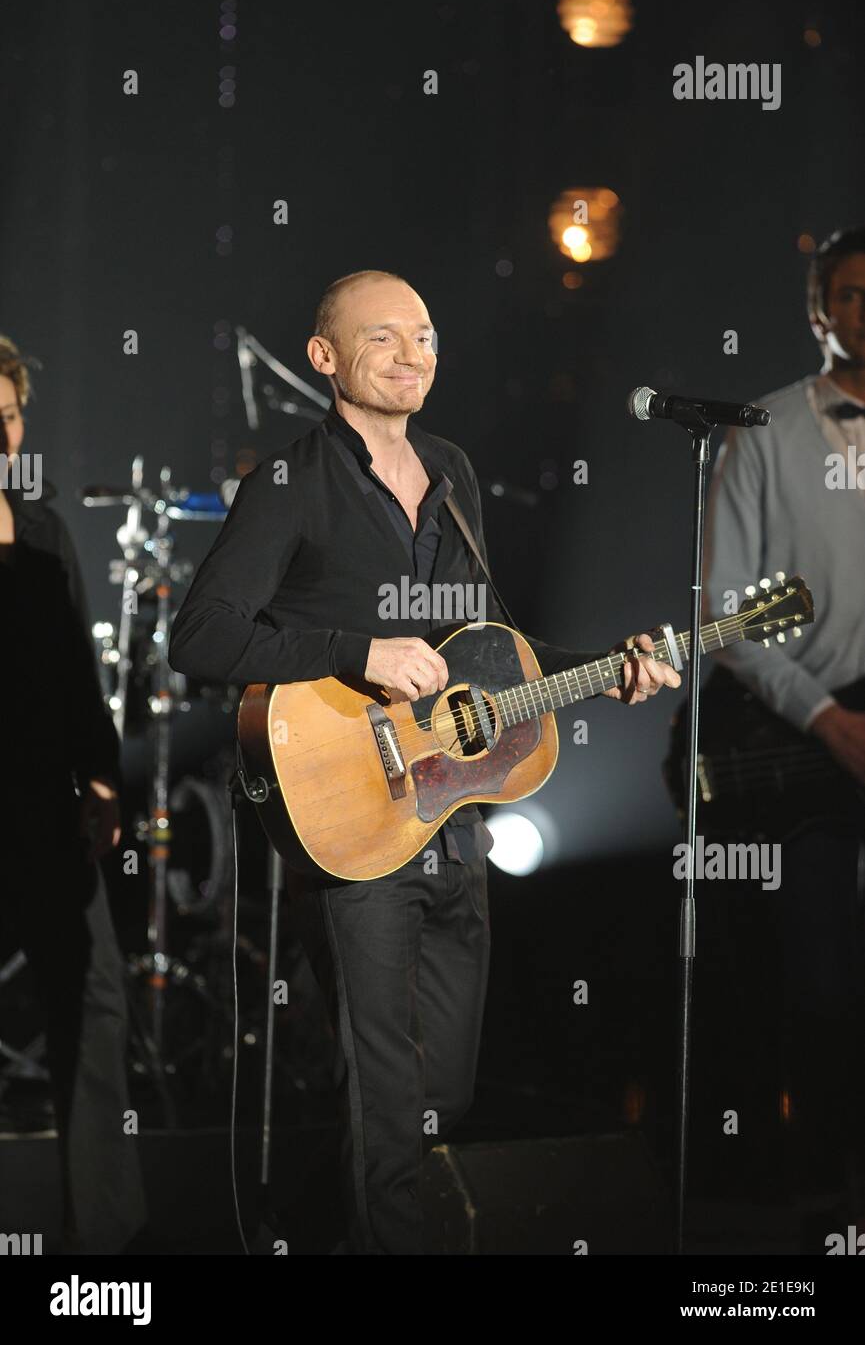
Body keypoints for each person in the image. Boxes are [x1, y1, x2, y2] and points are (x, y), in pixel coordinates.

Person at [169, 270, 680, 1254]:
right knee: (392, 1106)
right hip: (353, 823)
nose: (413, 355)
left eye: (425, 337)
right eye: (384, 338)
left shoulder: (450, 469)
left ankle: (304, 1234)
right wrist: (354, 653)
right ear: (324, 358)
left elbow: (486, 655)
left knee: (436, 1095)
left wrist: (608, 667)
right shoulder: (291, 482)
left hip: (454, 821)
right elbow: (201, 635)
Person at [704, 227, 865, 1241]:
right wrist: (825, 716)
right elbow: (723, 612)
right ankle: (817, 1194)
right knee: (818, 987)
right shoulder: (760, 428)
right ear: (818, 311)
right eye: (848, 293)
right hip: (804, 746)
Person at [0, 335, 147, 1253]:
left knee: (95, 1001)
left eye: (8, 417)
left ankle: (105, 1242)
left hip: (39, 809)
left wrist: (100, 777)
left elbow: (75, 680)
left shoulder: (43, 528)